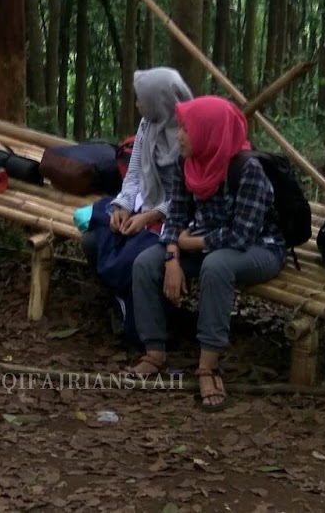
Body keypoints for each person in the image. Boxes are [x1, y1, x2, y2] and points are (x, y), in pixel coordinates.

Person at [124, 96, 286, 411]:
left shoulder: (248, 169)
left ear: (208, 132)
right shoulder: (189, 163)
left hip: (260, 248)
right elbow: (177, 216)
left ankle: (208, 366)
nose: (179, 136)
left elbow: (242, 235)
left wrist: (189, 245)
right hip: (203, 241)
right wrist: (172, 257)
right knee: (146, 262)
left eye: (186, 129)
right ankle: (154, 353)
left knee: (217, 265)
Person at [80, 68, 192, 344]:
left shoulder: (191, 132)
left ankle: (147, 322)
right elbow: (134, 175)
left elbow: (189, 196)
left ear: (160, 100)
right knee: (95, 237)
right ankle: (123, 304)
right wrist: (123, 206)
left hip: (180, 218)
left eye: (143, 98)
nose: (138, 104)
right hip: (147, 206)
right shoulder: (148, 124)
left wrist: (151, 216)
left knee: (133, 259)